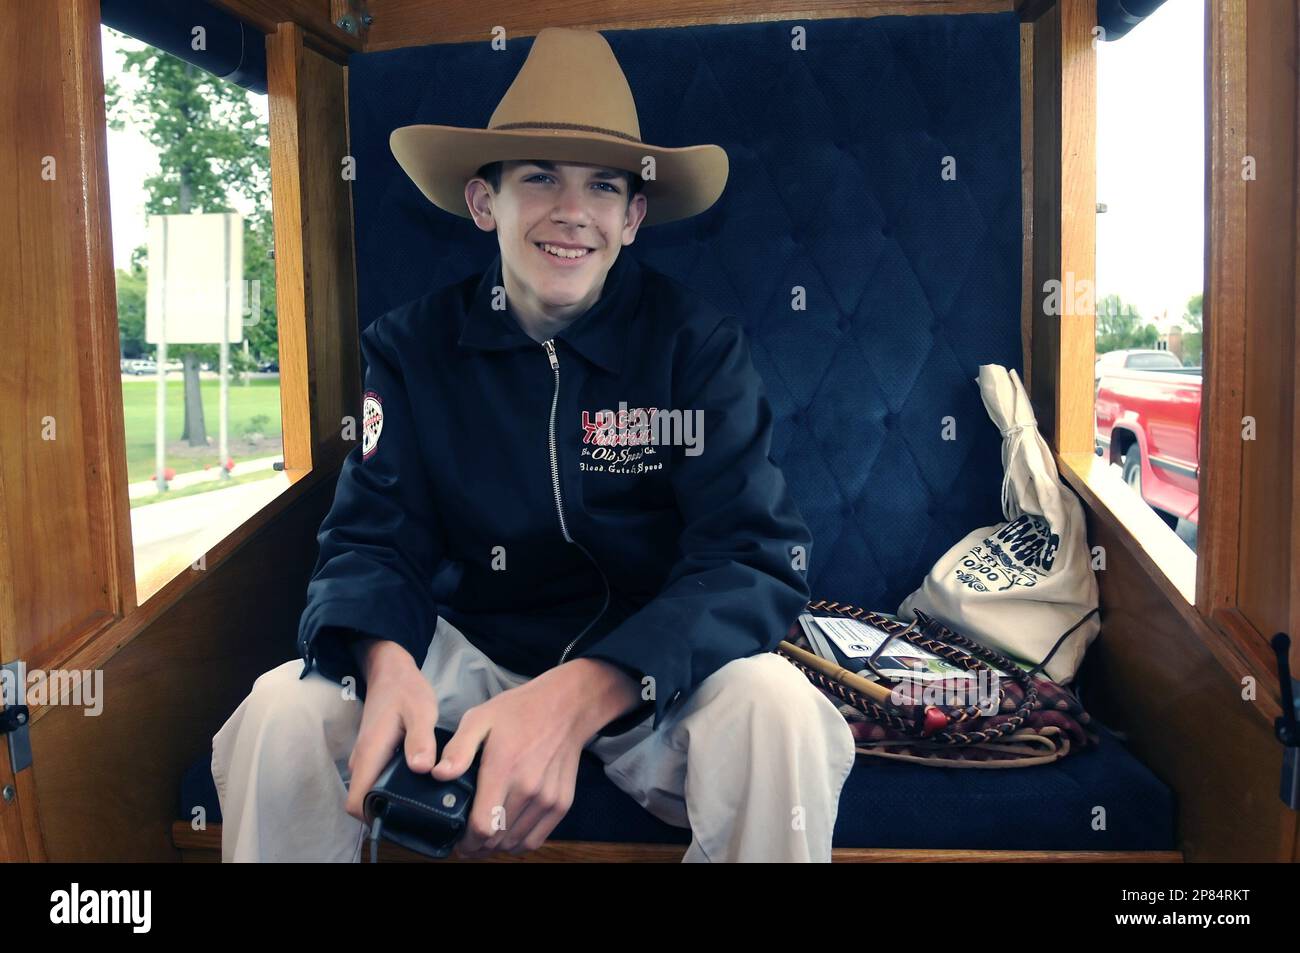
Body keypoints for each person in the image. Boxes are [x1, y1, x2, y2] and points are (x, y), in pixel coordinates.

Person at [212, 25, 856, 863]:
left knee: (781, 709)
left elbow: (753, 557)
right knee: (278, 712)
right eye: (540, 177)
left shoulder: (697, 348)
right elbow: (371, 541)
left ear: (632, 219)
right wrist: (381, 657)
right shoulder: (411, 348)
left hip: (645, 669)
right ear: (487, 204)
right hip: (471, 654)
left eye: (601, 187)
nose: (570, 211)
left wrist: (584, 692)